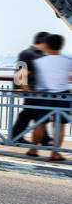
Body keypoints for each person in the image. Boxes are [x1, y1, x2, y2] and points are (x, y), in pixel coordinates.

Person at [28, 33, 72, 162]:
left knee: (40, 124)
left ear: (47, 46)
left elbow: (22, 74)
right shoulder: (67, 61)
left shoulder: (39, 61)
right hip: (63, 96)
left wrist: (26, 89)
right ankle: (55, 153)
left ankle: (33, 149)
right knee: (60, 126)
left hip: (44, 96)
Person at [11, 31, 51, 144]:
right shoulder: (27, 53)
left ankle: (16, 136)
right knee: (36, 113)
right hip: (30, 90)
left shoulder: (40, 54)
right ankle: (45, 139)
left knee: (30, 112)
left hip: (36, 90)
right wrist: (18, 87)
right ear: (44, 42)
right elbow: (20, 71)